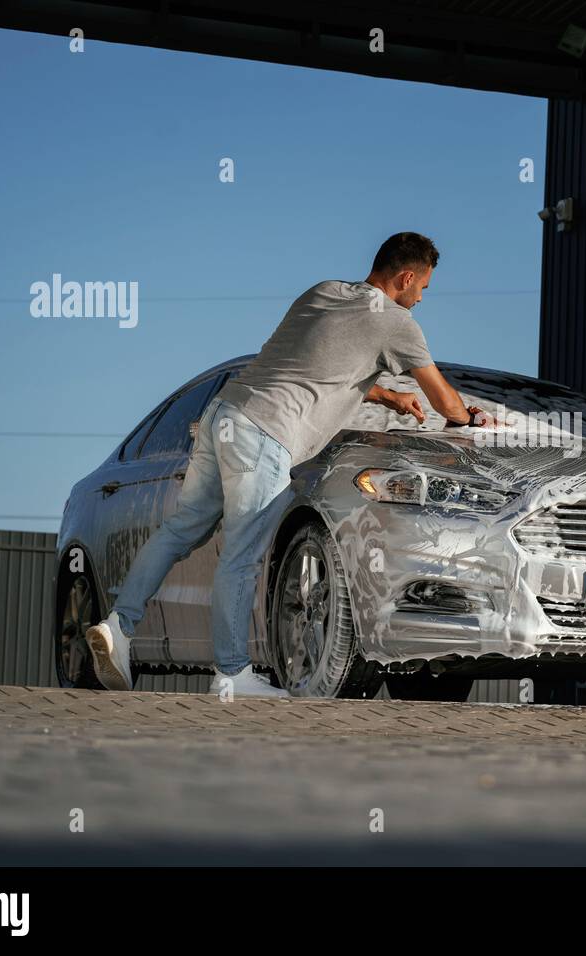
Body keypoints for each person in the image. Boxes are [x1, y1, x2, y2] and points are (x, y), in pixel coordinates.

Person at [85, 232, 492, 698]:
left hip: (225, 415)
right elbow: (444, 400)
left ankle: (119, 626)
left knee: (180, 530)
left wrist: (384, 394)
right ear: (405, 277)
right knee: (241, 556)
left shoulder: (323, 292)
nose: (421, 297)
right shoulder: (398, 324)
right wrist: (470, 417)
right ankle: (233, 675)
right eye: (423, 287)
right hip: (265, 434)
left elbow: (308, 365)